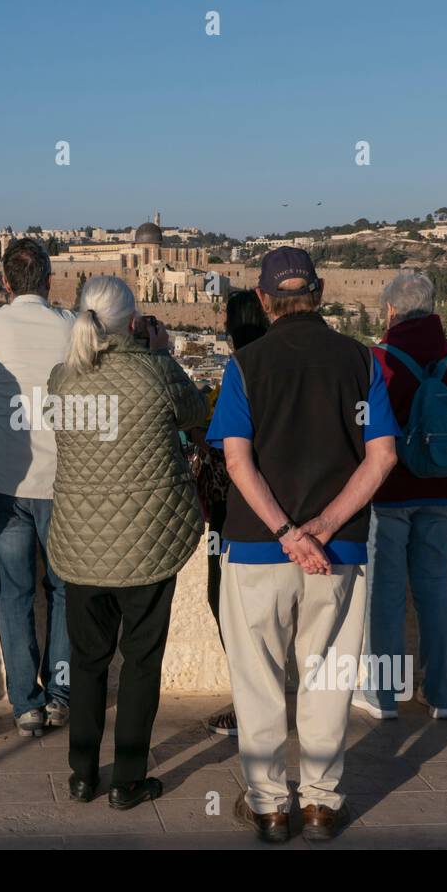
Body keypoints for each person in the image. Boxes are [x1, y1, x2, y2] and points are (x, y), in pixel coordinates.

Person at [207, 247, 398, 843]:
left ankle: (268, 808)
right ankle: (319, 804)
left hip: (259, 550)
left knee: (258, 679)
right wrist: (324, 525)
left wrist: (289, 533)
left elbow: (237, 462)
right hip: (339, 552)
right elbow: (383, 457)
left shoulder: (245, 366)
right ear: (318, 294)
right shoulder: (362, 361)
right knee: (329, 677)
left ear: (263, 301)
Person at [46, 276, 207, 809]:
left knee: (88, 664)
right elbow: (197, 418)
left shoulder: (60, 379)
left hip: (81, 544)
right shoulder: (156, 372)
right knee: (141, 663)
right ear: (132, 320)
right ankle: (129, 780)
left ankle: (81, 774)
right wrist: (159, 352)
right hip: (147, 542)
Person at [352, 272, 447, 722]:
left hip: (390, 492)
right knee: (436, 589)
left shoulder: (378, 360)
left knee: (384, 594)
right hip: (446, 488)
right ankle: (442, 695)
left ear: (389, 311)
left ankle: (383, 696)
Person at [0, 238, 75, 737]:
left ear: (5, 283)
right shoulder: (72, 328)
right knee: (64, 592)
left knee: (13, 594)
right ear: (49, 281)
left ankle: (26, 706)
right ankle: (61, 696)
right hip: (64, 484)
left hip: (4, 483)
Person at [187, 289, 268, 737]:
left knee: (229, 608)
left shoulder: (241, 370)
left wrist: (198, 433)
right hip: (281, 511)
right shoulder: (277, 364)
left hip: (235, 517)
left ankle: (248, 707)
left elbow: (227, 452)